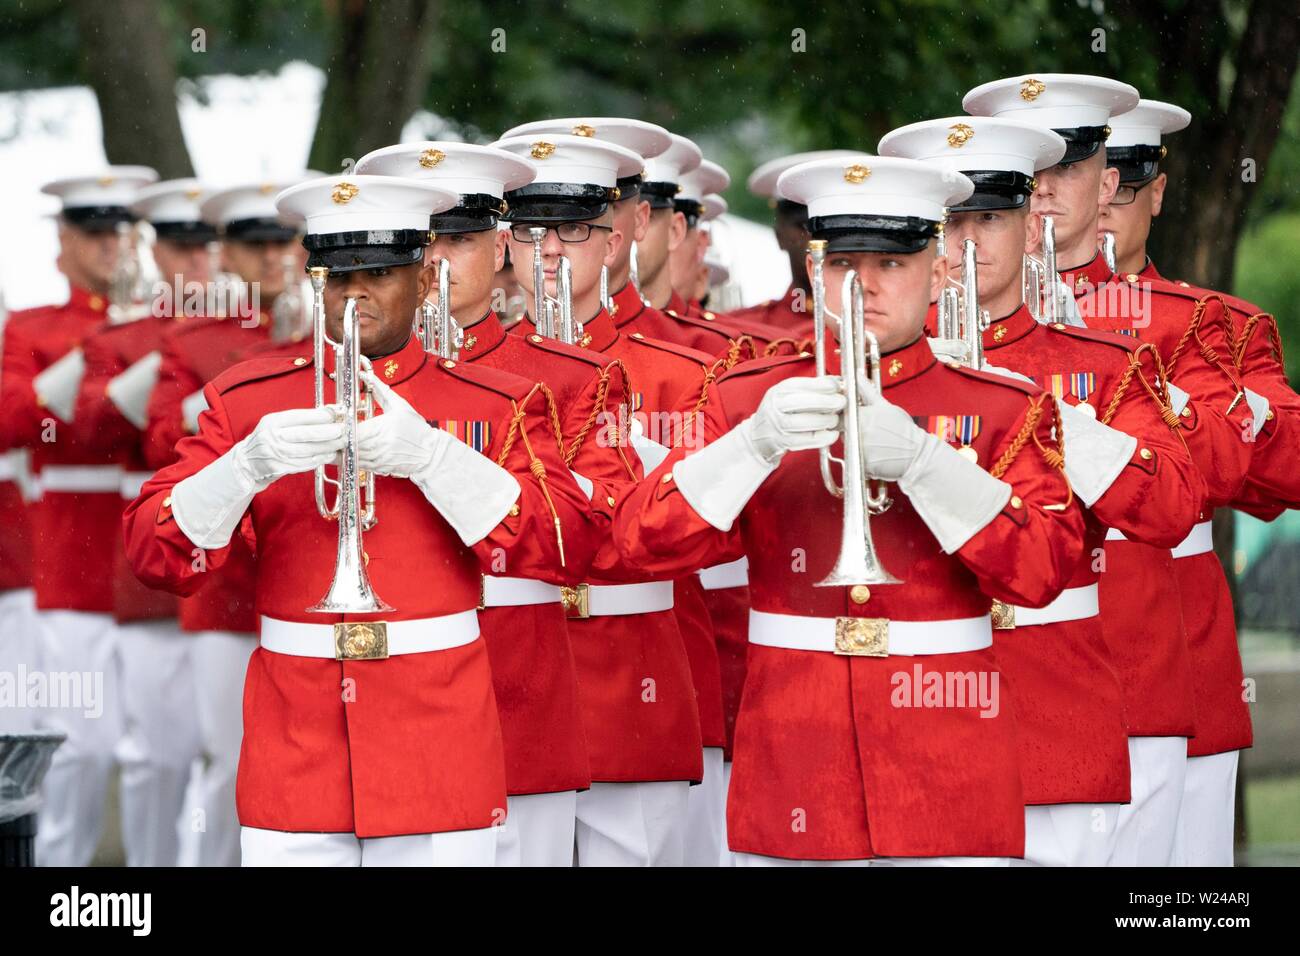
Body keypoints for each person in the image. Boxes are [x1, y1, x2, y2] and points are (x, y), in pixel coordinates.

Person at [613, 155, 1087, 865]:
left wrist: (932, 467)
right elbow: (641, 544)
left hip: (948, 766)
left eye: (891, 262)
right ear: (813, 271)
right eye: (842, 263)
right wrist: (752, 445)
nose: (862, 285)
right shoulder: (747, 397)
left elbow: (1045, 570)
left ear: (939, 266)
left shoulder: (1001, 405)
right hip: (794, 764)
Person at [123, 174, 596, 866]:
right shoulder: (248, 400)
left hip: (438, 742)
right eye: (337, 277)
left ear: (424, 278)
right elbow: (154, 555)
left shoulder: (497, 402)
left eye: (379, 273)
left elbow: (568, 544)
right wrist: (241, 469)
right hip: (297, 748)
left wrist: (437, 458)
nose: (355, 295)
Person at [881, 114, 1208, 864]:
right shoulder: (870, 373)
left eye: (990, 217)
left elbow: (1171, 506)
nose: (966, 241)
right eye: (948, 221)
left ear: (1032, 228)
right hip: (916, 701)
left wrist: (1059, 426)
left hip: (1057, 698)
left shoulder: (1105, 361)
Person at [964, 73, 1257, 865]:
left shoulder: (1190, 324)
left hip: (1139, 640)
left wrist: (1148, 415)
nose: (1048, 195)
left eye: (1068, 168)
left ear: (1111, 183)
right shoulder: (933, 332)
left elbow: (1254, 470)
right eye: (1028, 179)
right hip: (976, 655)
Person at [355, 138, 636, 866]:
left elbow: (591, 537)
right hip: (382, 685)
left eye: (459, 238)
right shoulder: (339, 377)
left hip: (519, 682)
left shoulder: (571, 378)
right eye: (419, 243)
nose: (438, 260)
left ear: (504, 245)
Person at [491, 131, 716, 865]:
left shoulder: (685, 373)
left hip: (634, 673)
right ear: (505, 245)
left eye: (573, 230)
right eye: (528, 231)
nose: (549, 251)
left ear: (614, 240)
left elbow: (719, 532)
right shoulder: (472, 375)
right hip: (514, 678)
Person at [1103, 98, 1300, 865]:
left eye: (1124, 185)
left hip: (1176, 645)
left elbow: (1284, 468)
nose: (1103, 204)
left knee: (1181, 903)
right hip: (1031, 645)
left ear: (1156, 192)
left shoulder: (1217, 323)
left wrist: (1198, 405)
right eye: (1079, 180)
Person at [0, 165, 158, 866]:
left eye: (121, 232)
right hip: (75, 557)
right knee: (77, 750)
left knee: (167, 752)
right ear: (61, 241)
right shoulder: (32, 329)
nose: (110, 247)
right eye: (94, 233)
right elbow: (14, 419)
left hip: (149, 556)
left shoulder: (165, 323)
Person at [72, 177, 223, 866]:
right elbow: (88, 424)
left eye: (206, 247)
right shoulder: (126, 335)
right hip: (154, 557)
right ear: (157, 251)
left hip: (231, 560)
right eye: (182, 248)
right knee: (155, 754)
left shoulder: (245, 331)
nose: (197, 262)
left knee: (228, 750)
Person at [722, 150, 867, 338]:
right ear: (779, 236)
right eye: (806, 227)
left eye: (841, 228)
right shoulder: (741, 333)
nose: (821, 240)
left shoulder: (897, 326)